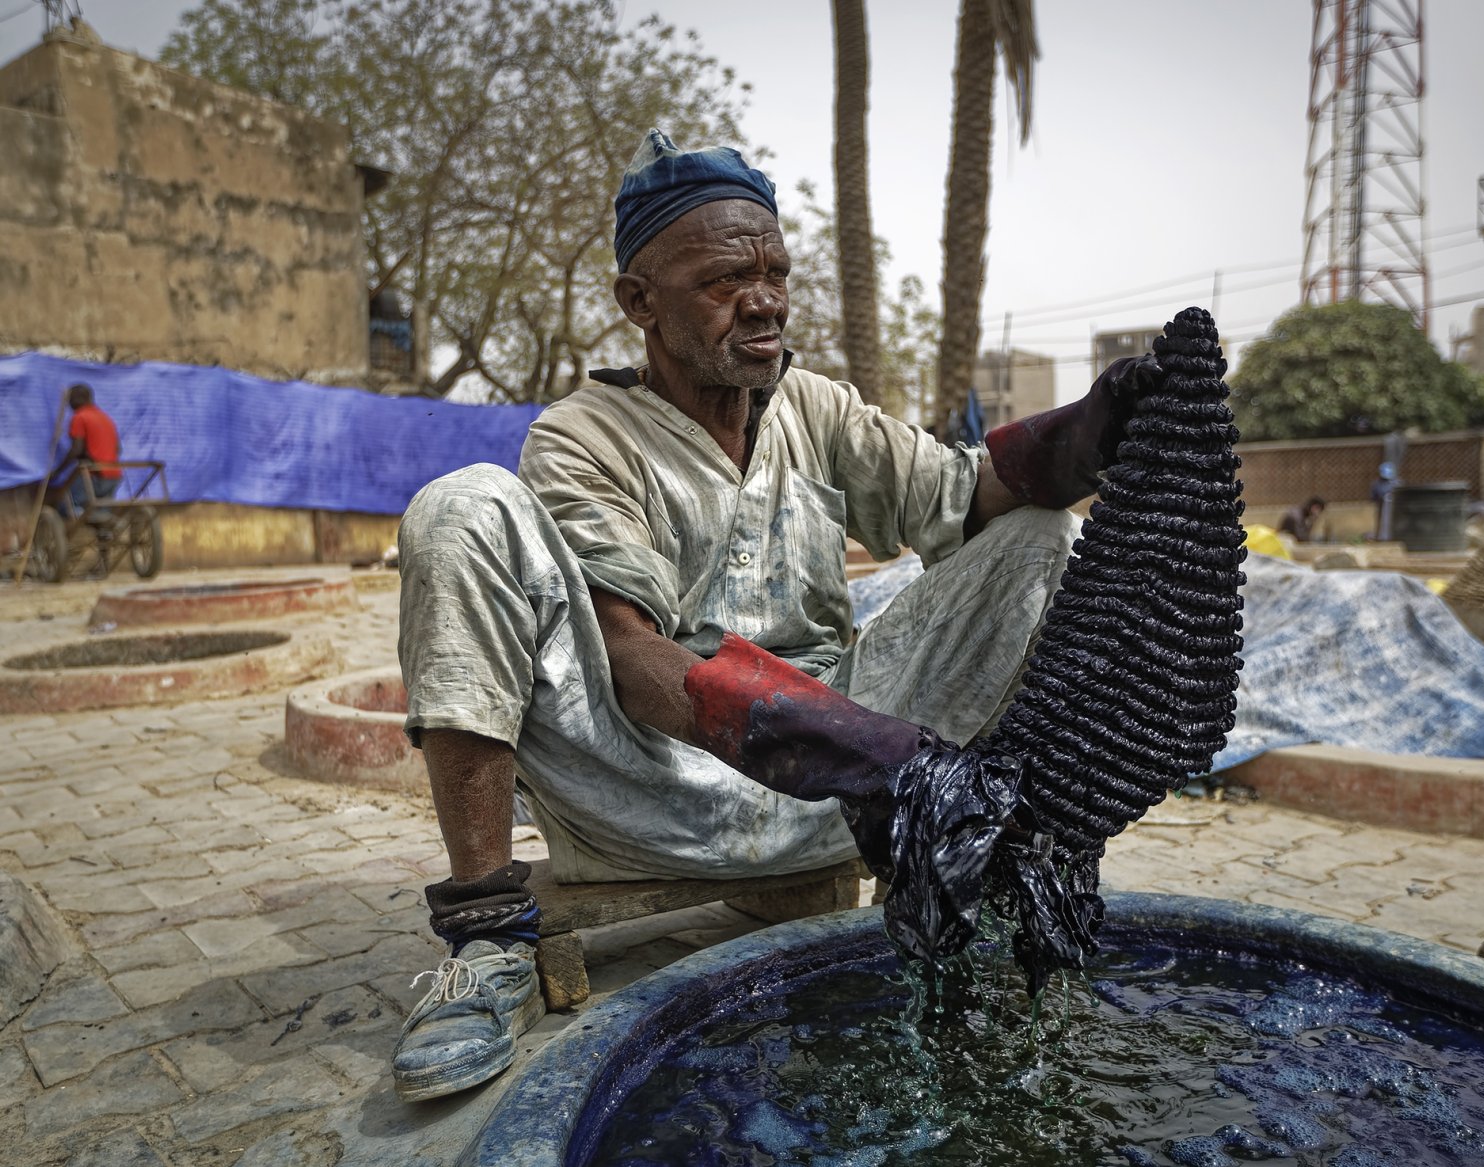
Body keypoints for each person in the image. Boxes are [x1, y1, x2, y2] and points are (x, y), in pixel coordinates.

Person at [387, 129, 1153, 1101]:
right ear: (639, 301)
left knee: (1038, 534)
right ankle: (485, 945)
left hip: (850, 809)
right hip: (656, 791)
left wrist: (1086, 432)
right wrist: (859, 745)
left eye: (775, 272)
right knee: (460, 506)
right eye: (721, 279)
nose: (763, 299)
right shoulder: (585, 436)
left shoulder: (813, 407)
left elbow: (961, 498)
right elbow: (627, 654)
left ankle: (986, 857)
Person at [51, 383, 122, 518]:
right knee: (102, 509)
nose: (69, 404)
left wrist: (57, 471)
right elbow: (118, 449)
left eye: (70, 399)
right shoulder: (105, 417)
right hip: (114, 475)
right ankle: (106, 530)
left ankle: (85, 517)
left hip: (93, 476)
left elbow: (76, 450)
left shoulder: (80, 417)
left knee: (67, 506)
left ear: (79, 398)